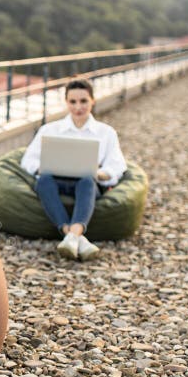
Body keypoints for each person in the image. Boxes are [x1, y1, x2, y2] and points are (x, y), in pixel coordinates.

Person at [20, 79, 127, 260]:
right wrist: (43, 167)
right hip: (56, 182)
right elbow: (28, 160)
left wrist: (99, 173)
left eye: (83, 101)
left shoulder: (106, 132)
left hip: (88, 185)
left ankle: (70, 235)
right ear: (66, 102)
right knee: (44, 180)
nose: (78, 107)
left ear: (92, 100)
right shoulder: (49, 129)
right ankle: (76, 237)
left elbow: (117, 165)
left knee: (87, 180)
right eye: (73, 101)